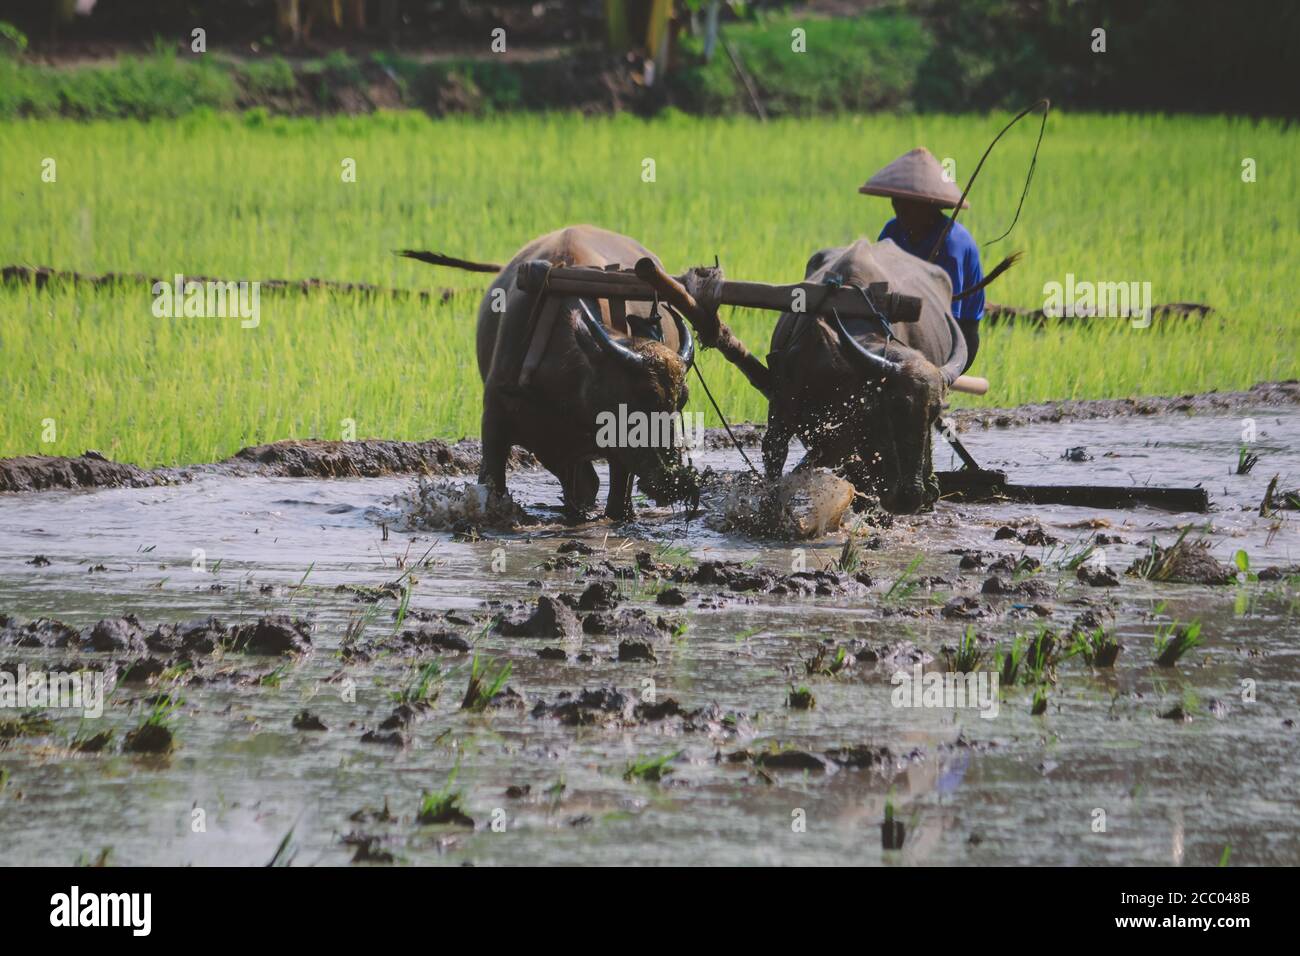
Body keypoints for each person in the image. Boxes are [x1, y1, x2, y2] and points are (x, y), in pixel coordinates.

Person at [859, 147, 984, 372]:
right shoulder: (892, 231)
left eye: (908, 204)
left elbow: (948, 320)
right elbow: (877, 283)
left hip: (954, 334)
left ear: (929, 205)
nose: (899, 209)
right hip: (900, 323)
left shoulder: (951, 244)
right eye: (896, 201)